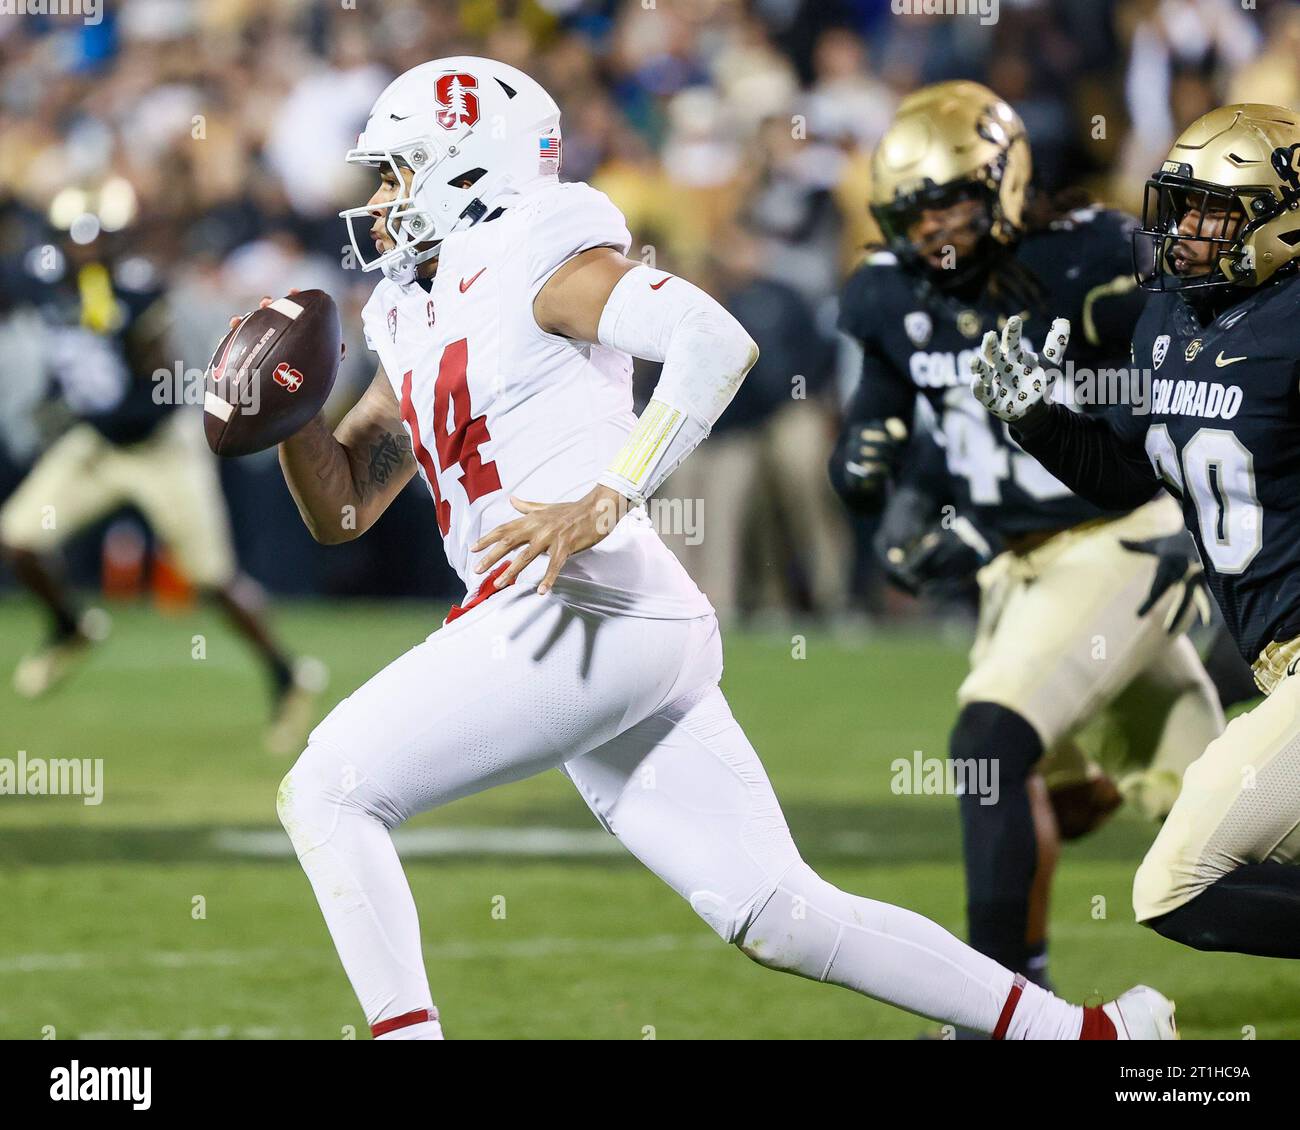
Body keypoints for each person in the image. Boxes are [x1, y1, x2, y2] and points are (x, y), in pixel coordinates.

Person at [265, 56, 1174, 1040]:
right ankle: (1090, 1035)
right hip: (583, 621)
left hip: (583, 605)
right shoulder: (411, 306)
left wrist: (606, 494)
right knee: (777, 910)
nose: (383, 198)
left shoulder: (540, 249)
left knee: (328, 787)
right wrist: (280, 416)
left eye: (399, 172)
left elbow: (712, 340)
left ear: (465, 168)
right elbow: (345, 508)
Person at [830, 81, 1223, 990]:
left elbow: (1187, 391)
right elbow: (880, 433)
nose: (936, 232)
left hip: (1120, 540)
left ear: (1004, 183)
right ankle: (1028, 984)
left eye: (952, 203)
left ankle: (1004, 1004)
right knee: (1201, 816)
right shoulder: (888, 296)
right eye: (912, 213)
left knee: (987, 747)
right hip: (1020, 571)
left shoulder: (1092, 259)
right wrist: (873, 483)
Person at [974, 102, 1300, 958]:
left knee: (1180, 882)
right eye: (1181, 207)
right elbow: (1128, 475)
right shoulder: (1169, 321)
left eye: (1213, 212)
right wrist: (1039, 422)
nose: (1186, 230)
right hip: (1276, 666)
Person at [0, 218, 320, 754]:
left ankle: (287, 675)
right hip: (97, 445)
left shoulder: (135, 292)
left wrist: (116, 336)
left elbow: (158, 370)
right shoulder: (48, 287)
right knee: (17, 539)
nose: (82, 254)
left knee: (214, 579)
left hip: (160, 448)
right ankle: (69, 627)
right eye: (73, 245)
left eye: (92, 243)